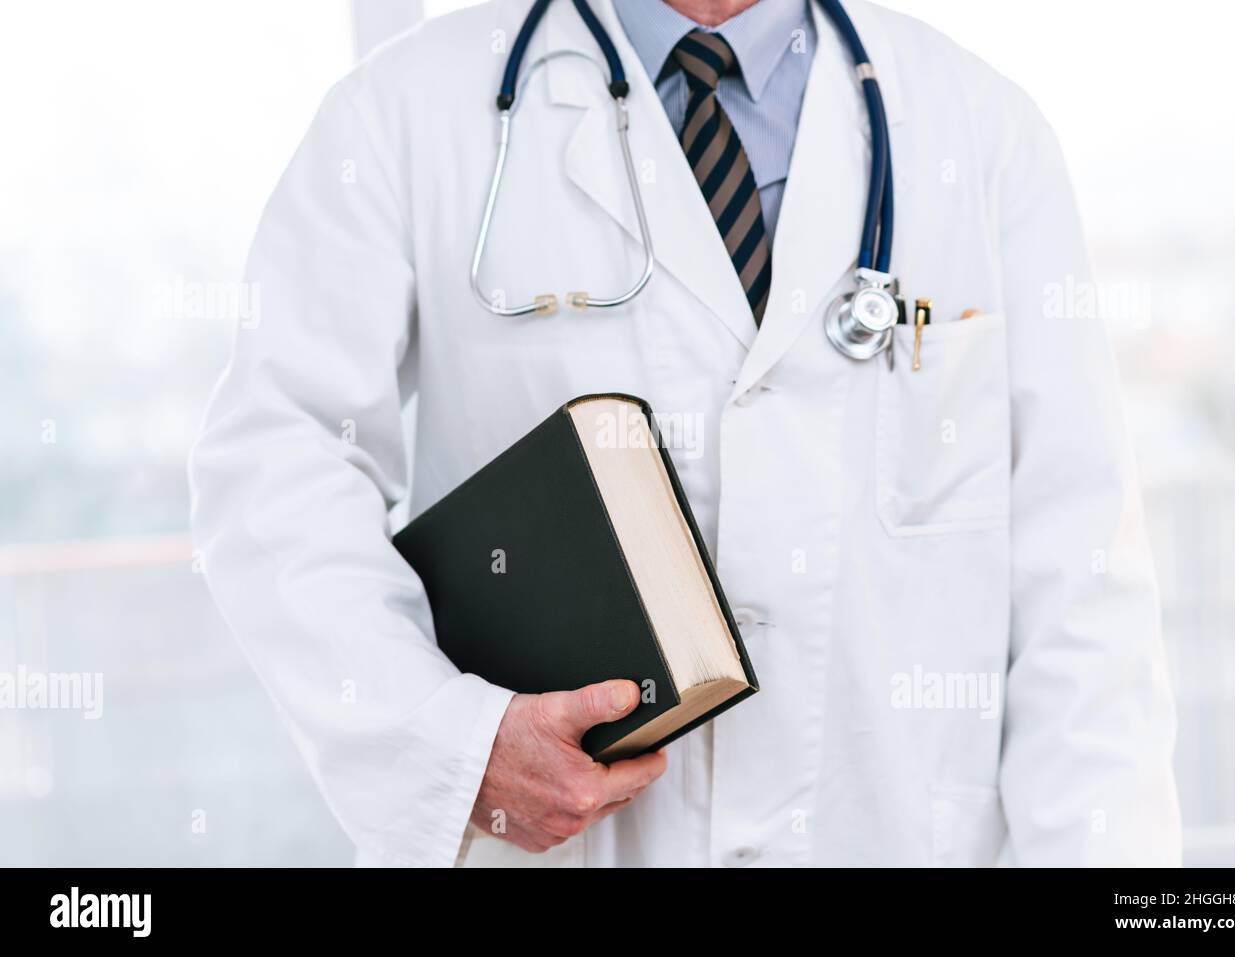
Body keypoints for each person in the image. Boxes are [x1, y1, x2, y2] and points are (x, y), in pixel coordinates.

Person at [190, 0, 1181, 867]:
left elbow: (1081, 589)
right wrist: (453, 744)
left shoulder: (981, 132)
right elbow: (273, 470)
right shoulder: (402, 115)